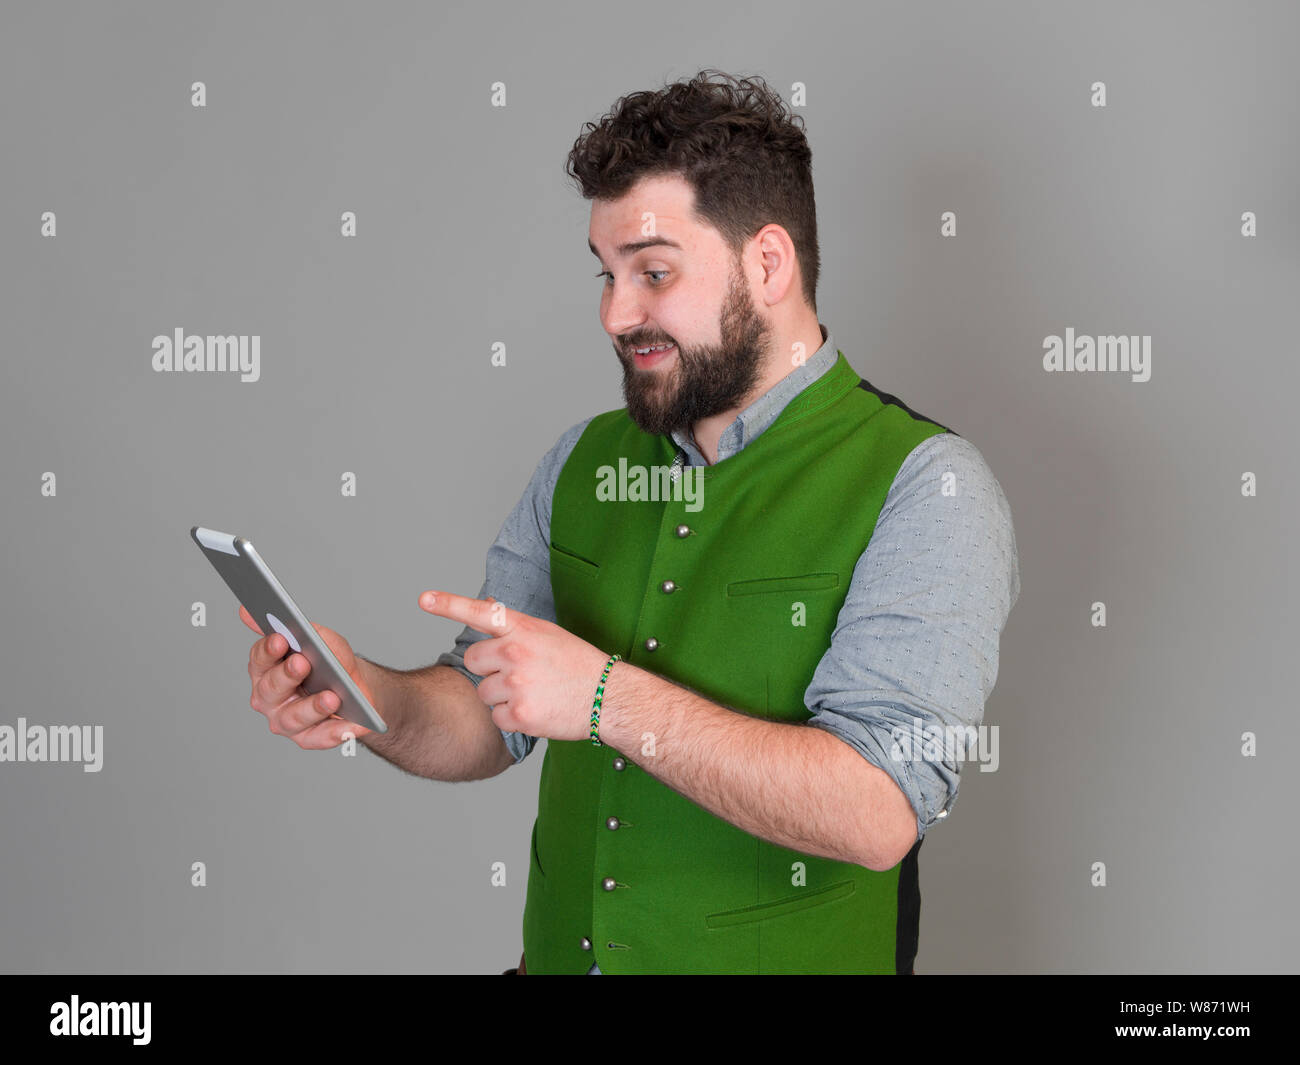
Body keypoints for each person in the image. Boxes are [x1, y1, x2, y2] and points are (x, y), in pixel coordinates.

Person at [242, 70, 1020, 975]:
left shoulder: (927, 487)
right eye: (607, 275)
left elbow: (878, 806)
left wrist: (606, 698)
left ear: (769, 264)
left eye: (653, 272)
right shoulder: (582, 459)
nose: (617, 313)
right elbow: (487, 713)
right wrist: (361, 697)